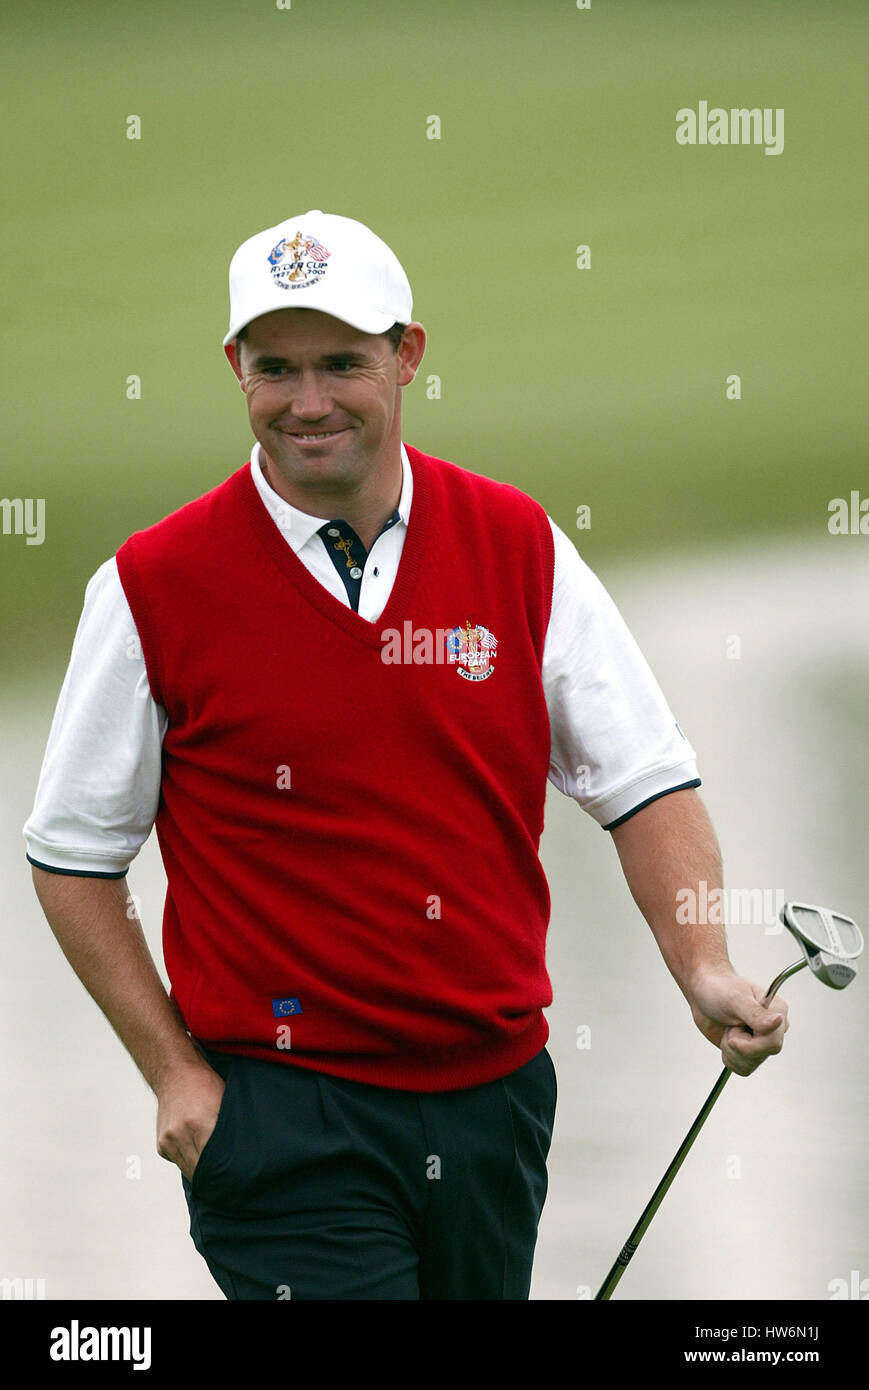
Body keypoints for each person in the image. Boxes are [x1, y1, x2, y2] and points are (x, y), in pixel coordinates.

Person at [24, 210, 788, 1301]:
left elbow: (643, 780)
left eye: (342, 362)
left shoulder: (517, 544)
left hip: (495, 1103)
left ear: (407, 355)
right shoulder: (153, 583)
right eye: (274, 368)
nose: (308, 401)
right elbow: (70, 853)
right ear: (234, 368)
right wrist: (175, 1075)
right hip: (281, 1116)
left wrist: (701, 963)